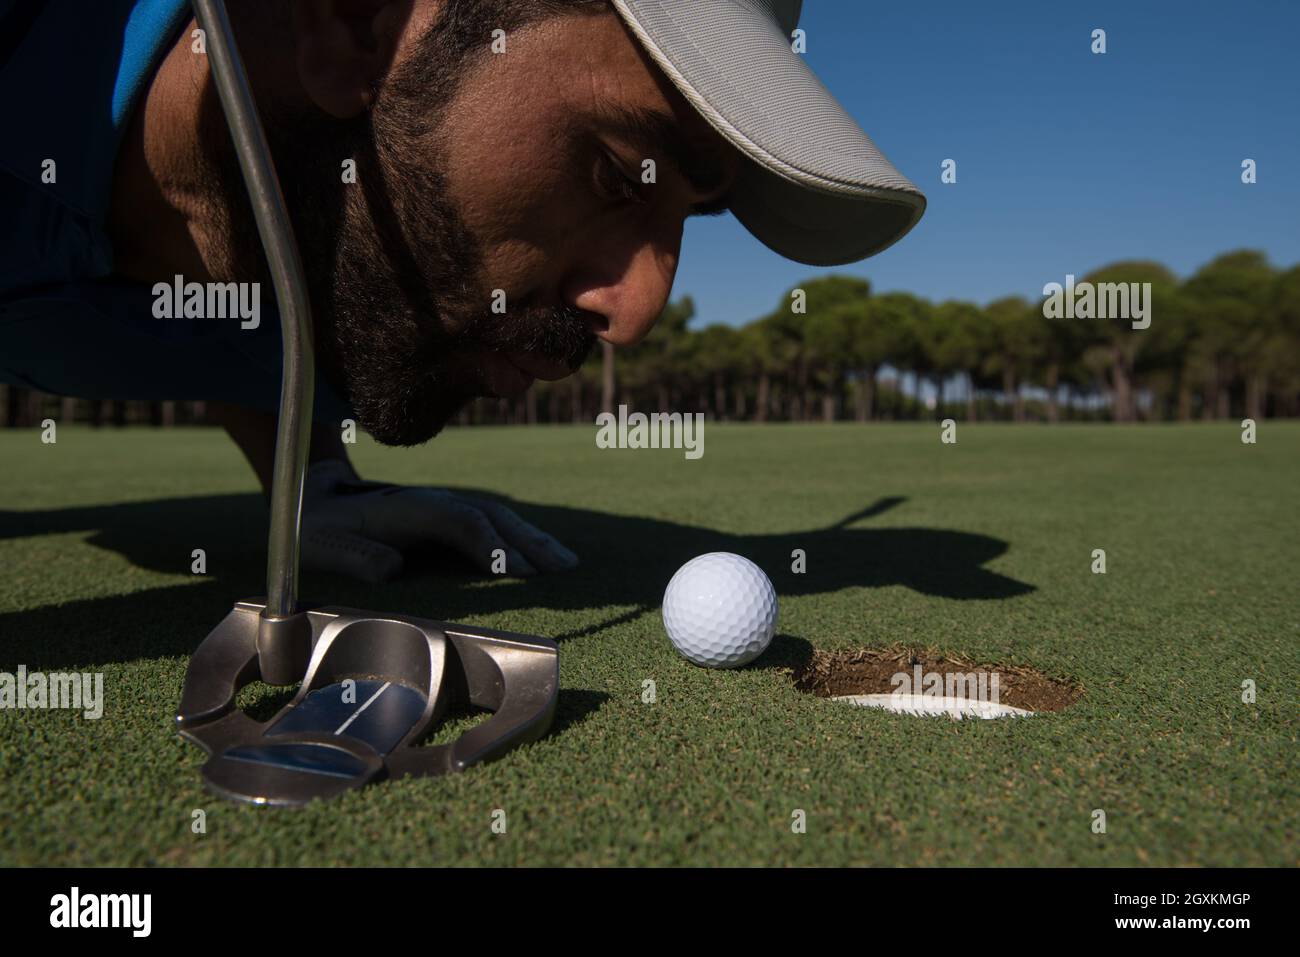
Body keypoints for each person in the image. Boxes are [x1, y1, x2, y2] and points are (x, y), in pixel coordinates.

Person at [0, 0, 925, 581]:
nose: (637, 311)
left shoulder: (337, 256)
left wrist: (314, 479)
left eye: (689, 217)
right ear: (354, 23)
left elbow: (258, 334)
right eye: (616, 173)